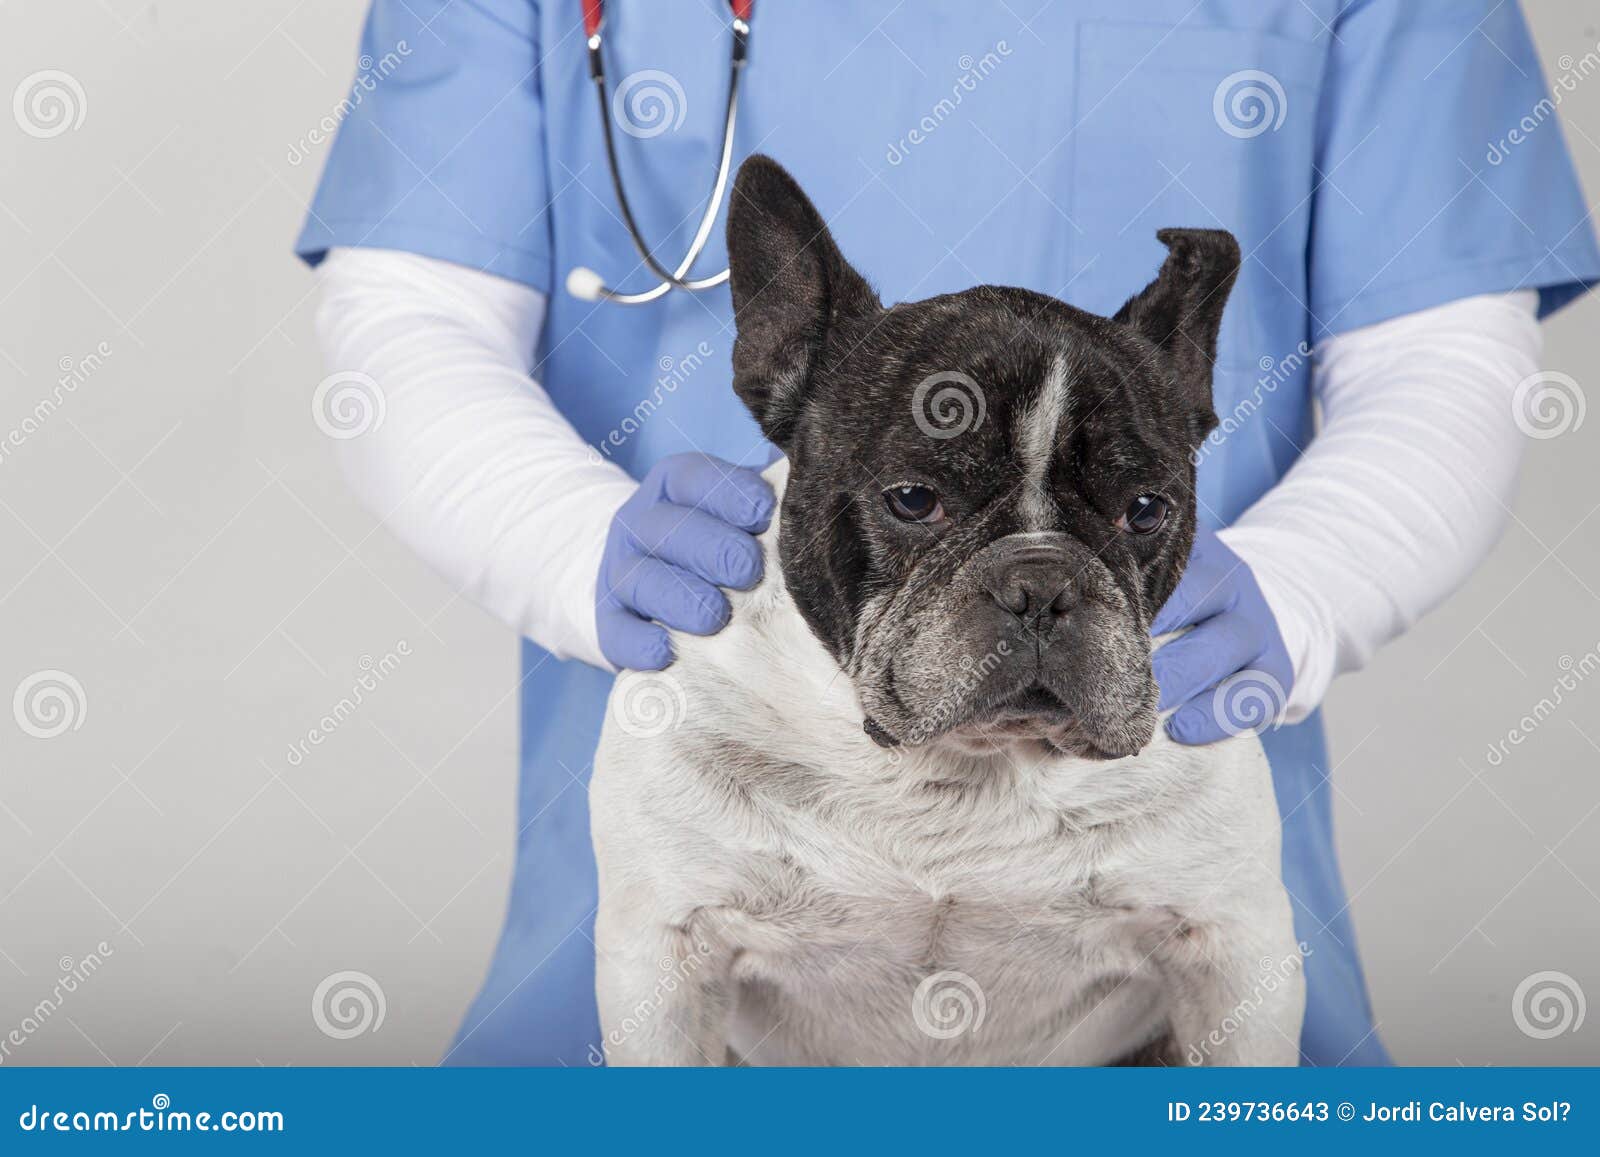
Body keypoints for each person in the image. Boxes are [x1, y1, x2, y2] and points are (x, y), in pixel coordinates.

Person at [297, 0, 1598, 1066]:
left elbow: (1446, 356)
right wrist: (556, 531)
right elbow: (406, 321)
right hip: (722, 800)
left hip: (1139, 913)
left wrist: (1315, 578)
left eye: (1138, 506)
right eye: (918, 504)